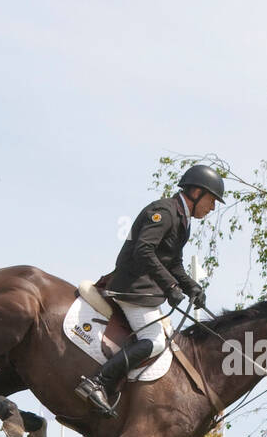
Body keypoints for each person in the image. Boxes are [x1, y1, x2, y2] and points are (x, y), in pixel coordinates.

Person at [75, 165, 225, 415]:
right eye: (211, 200)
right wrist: (170, 286)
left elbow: (172, 261)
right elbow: (143, 250)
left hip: (146, 291)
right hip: (132, 288)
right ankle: (97, 382)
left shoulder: (182, 220)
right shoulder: (164, 211)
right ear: (197, 192)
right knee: (154, 341)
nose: (212, 207)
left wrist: (191, 287)